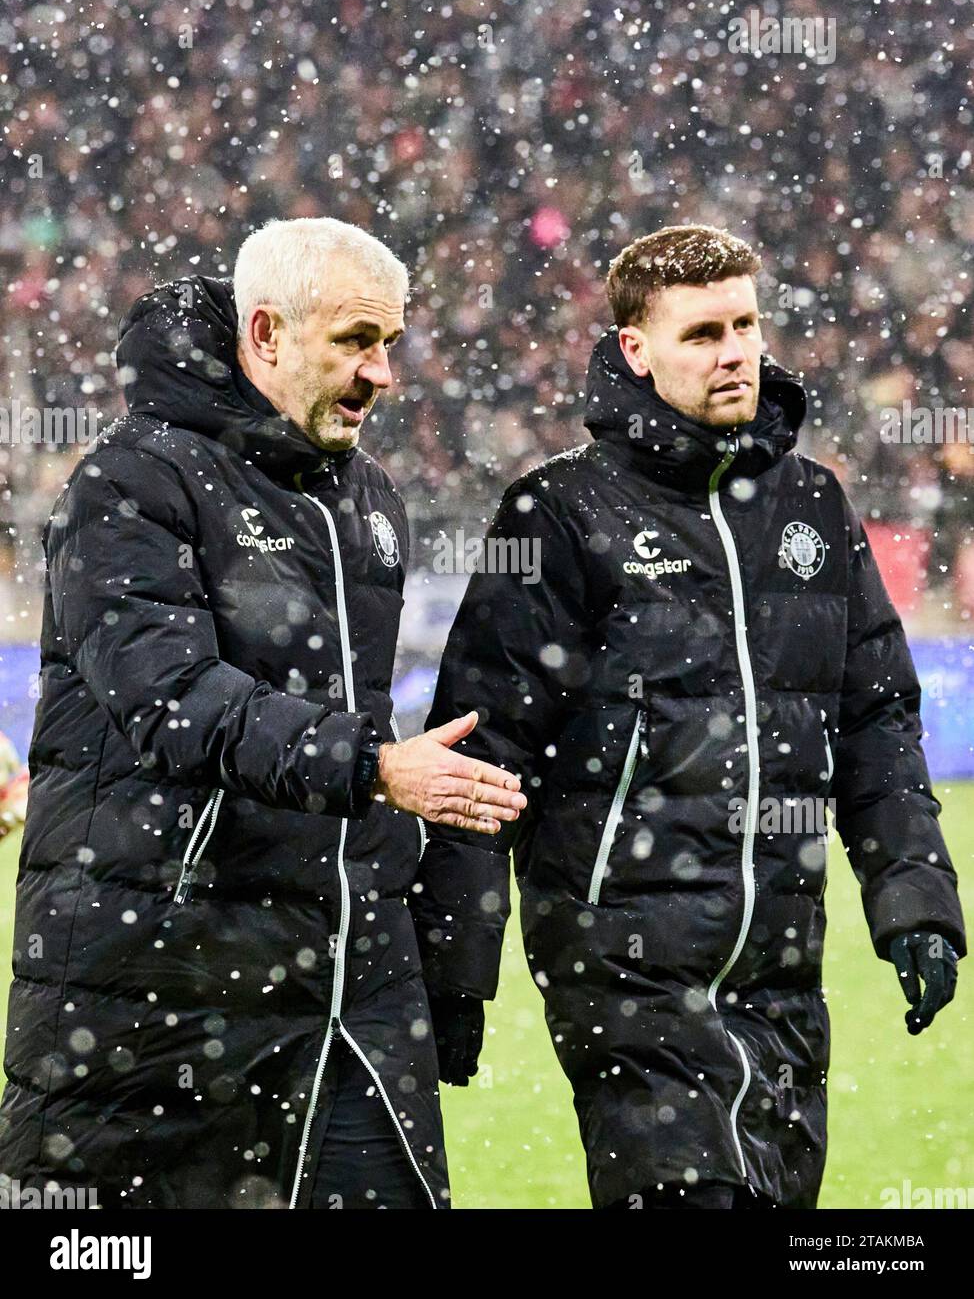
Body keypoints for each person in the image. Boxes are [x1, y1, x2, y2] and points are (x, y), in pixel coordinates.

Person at [411, 224, 965, 1209]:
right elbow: (477, 742)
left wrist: (913, 896)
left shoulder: (812, 506)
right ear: (636, 350)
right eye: (702, 331)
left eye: (745, 324)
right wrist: (455, 964)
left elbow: (876, 719)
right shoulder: (555, 515)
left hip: (780, 970)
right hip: (623, 966)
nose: (734, 350)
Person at [0, 216, 525, 1210]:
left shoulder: (368, 500)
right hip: (160, 982)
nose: (382, 373)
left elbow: (352, 740)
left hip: (343, 1000)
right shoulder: (128, 482)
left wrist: (446, 970)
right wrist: (372, 764)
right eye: (355, 342)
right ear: (267, 334)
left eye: (390, 344)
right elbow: (172, 701)